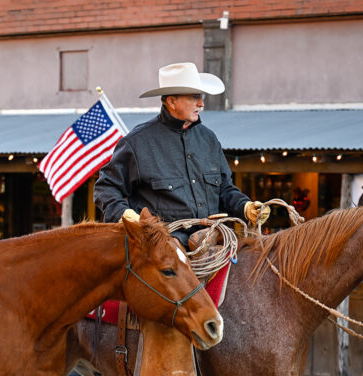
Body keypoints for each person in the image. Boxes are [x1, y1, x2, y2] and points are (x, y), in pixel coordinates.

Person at [95, 62, 257, 246]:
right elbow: (106, 188)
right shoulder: (137, 142)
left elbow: (226, 190)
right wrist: (124, 214)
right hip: (161, 252)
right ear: (172, 101)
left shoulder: (209, 139)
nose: (201, 103)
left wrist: (246, 206)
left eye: (201, 96)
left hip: (213, 241)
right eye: (195, 97)